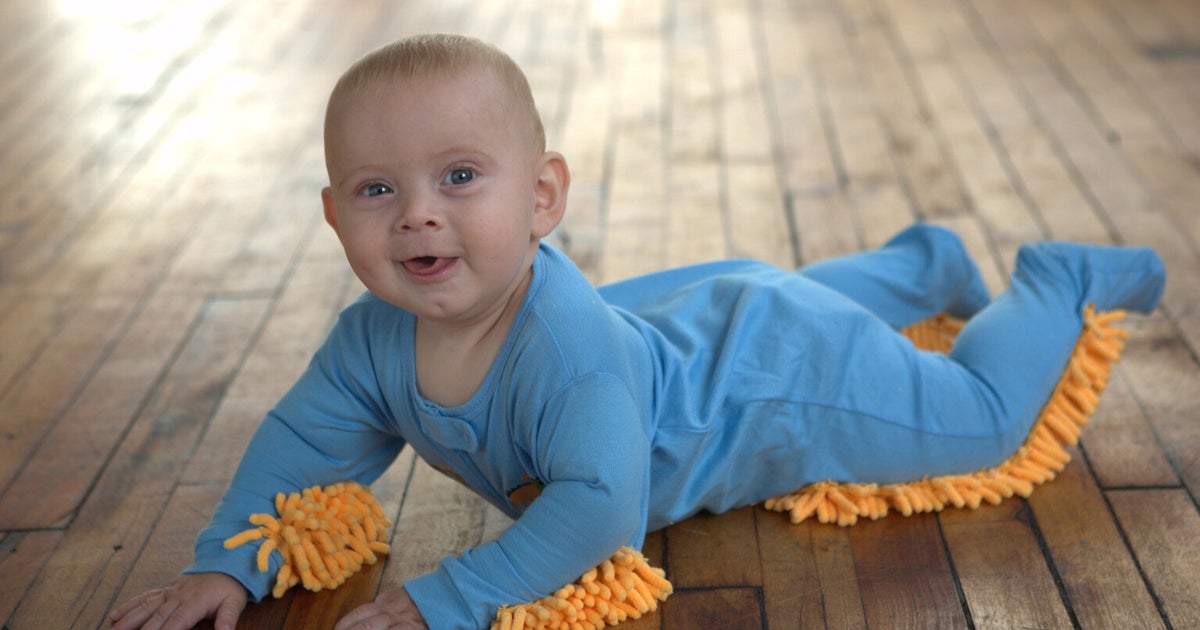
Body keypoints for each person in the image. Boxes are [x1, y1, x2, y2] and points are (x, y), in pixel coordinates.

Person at [109, 33, 1166, 630]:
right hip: (695, 316)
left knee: (978, 421)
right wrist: (224, 566)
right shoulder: (368, 342)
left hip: (771, 375)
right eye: (377, 189)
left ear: (542, 196)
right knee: (772, 289)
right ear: (335, 217)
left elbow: (601, 513)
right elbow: (297, 445)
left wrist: (447, 600)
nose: (418, 213)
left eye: (461, 177)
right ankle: (919, 265)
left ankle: (1053, 281)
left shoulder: (570, 366)